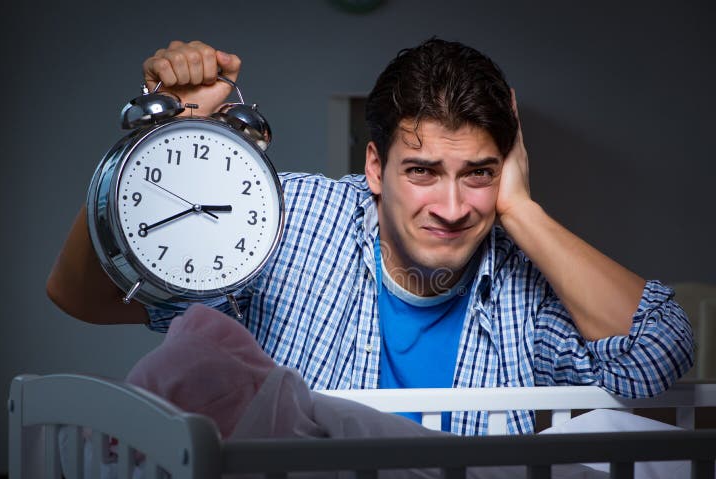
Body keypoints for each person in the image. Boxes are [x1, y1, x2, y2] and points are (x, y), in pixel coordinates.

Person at [47, 38, 694, 435]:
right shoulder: (287, 220)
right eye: (422, 171)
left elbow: (658, 352)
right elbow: (83, 297)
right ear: (376, 167)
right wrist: (157, 135)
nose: (451, 206)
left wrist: (520, 208)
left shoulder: (520, 286)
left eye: (478, 174)